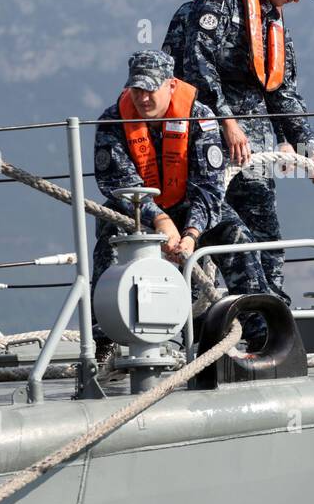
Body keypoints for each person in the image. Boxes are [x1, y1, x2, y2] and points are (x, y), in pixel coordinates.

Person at [179, 0, 314, 303]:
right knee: (215, 237)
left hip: (256, 151)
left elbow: (284, 91)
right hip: (208, 143)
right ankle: (197, 323)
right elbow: (195, 65)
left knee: (267, 240)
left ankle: (271, 323)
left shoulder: (275, 23)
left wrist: (311, 148)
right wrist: (226, 120)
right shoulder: (220, 2)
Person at [91, 49, 271, 346]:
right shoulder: (112, 123)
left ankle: (262, 334)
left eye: (151, 89)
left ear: (171, 85)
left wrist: (190, 234)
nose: (143, 98)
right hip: (138, 212)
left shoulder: (200, 117)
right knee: (111, 238)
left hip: (191, 209)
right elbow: (118, 185)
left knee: (237, 236)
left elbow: (210, 188)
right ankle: (107, 342)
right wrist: (159, 220)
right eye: (137, 90)